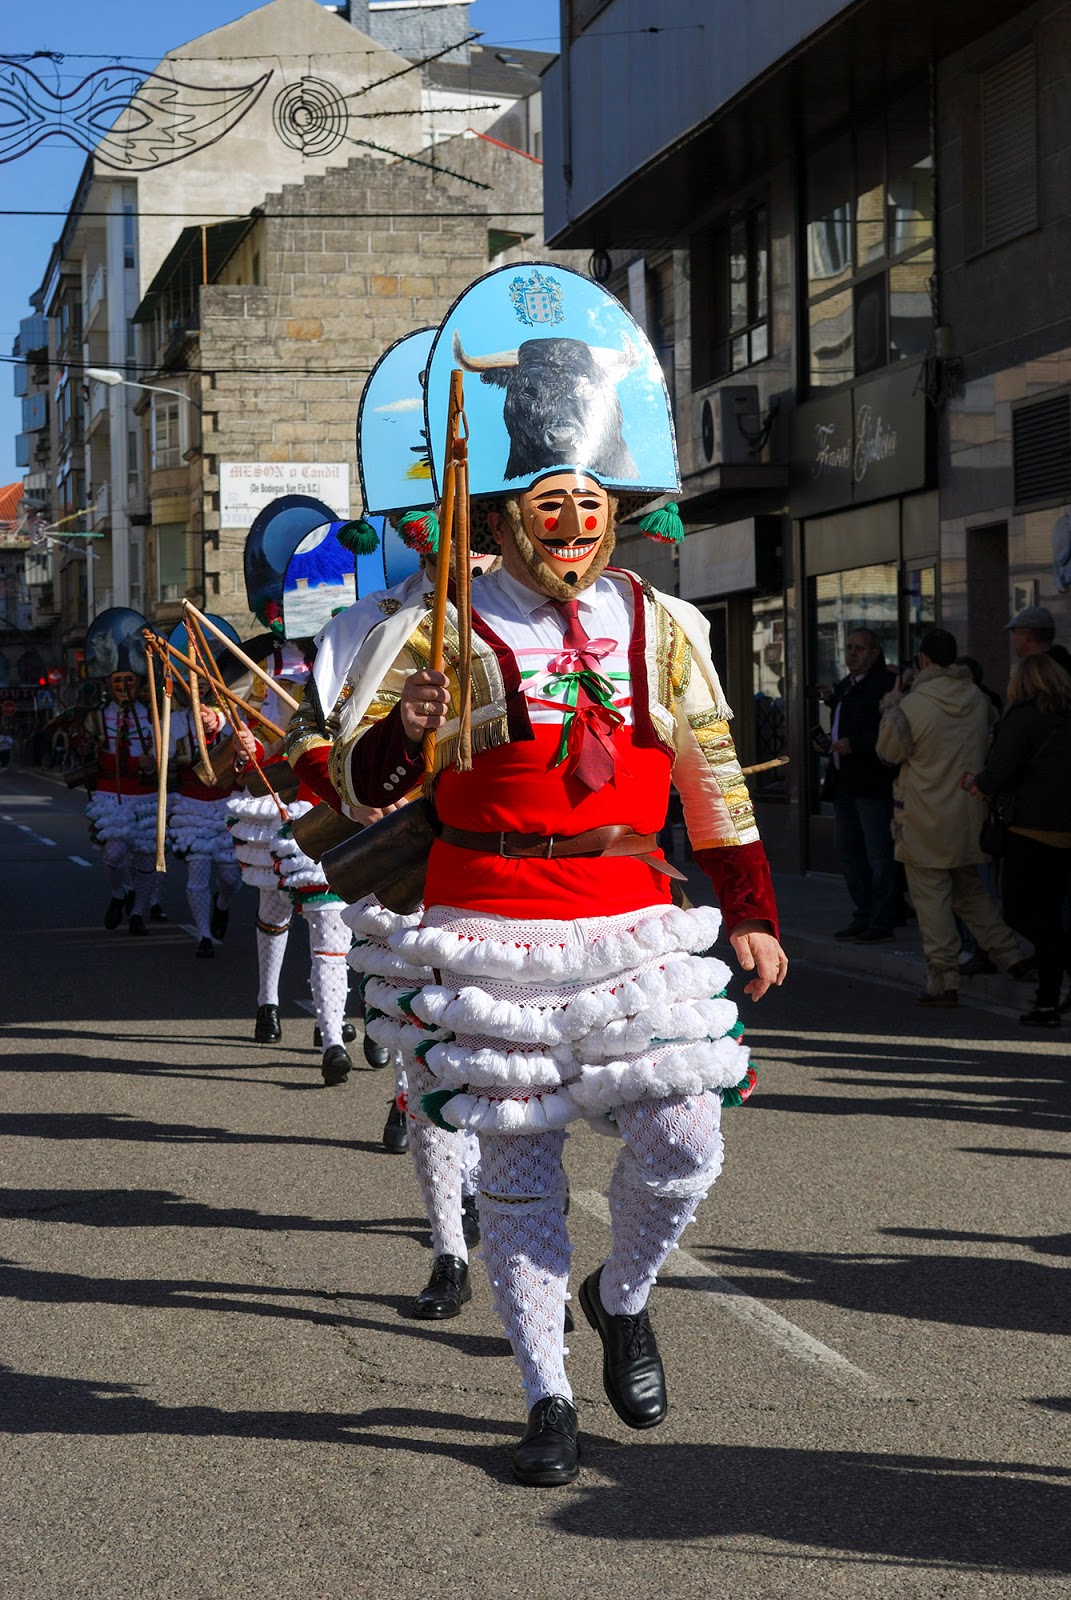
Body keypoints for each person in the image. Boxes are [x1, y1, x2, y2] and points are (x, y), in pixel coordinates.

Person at [327, 263, 788, 1486]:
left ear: (614, 506)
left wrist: (749, 910)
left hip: (633, 918)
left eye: (590, 501)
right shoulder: (433, 627)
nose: (574, 522)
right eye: (550, 503)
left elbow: (714, 777)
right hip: (491, 925)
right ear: (498, 513)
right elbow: (360, 790)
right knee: (520, 1171)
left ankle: (621, 1293)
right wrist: (404, 730)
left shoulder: (666, 626)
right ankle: (547, 1397)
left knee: (687, 1132)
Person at [876, 627, 1031, 1007]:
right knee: (970, 892)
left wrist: (891, 704)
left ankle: (943, 980)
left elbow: (888, 753)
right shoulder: (977, 698)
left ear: (923, 660)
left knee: (932, 902)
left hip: (923, 817)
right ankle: (1012, 956)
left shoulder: (913, 704)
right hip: (968, 814)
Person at [973, 652, 1071, 1027]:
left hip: (1030, 829)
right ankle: (1046, 1002)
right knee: (1050, 916)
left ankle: (1050, 995)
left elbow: (999, 770)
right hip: (1064, 832)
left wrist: (980, 785)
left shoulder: (1024, 716)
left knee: (1021, 913)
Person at [815, 629, 898, 942]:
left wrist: (857, 745)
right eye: (849, 647)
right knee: (849, 853)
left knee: (879, 855)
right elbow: (842, 725)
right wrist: (828, 743)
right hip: (844, 784)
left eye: (859, 648)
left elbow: (893, 736)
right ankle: (863, 913)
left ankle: (882, 920)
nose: (852, 653)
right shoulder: (847, 686)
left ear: (874, 652)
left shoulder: (886, 685)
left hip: (872, 784)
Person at [80, 608, 159, 935]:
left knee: (145, 858)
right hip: (111, 793)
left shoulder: (154, 715)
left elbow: (166, 753)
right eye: (118, 681)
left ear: (139, 681)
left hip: (145, 794)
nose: (124, 686)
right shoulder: (96, 717)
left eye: (130, 680)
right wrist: (87, 746)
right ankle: (118, 893)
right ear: (109, 684)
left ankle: (139, 913)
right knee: (113, 854)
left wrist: (153, 760)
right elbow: (84, 750)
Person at [167, 700, 243, 958]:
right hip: (191, 806)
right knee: (197, 874)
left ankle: (222, 904)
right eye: (194, 686)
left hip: (226, 805)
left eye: (203, 685)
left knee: (231, 879)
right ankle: (204, 935)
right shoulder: (174, 721)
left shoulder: (234, 717)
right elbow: (162, 760)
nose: (199, 691)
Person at [1005, 605, 1071, 679]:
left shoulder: (1033, 675)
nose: (1013, 638)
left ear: (1027, 636)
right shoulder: (1063, 664)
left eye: (1015, 632)